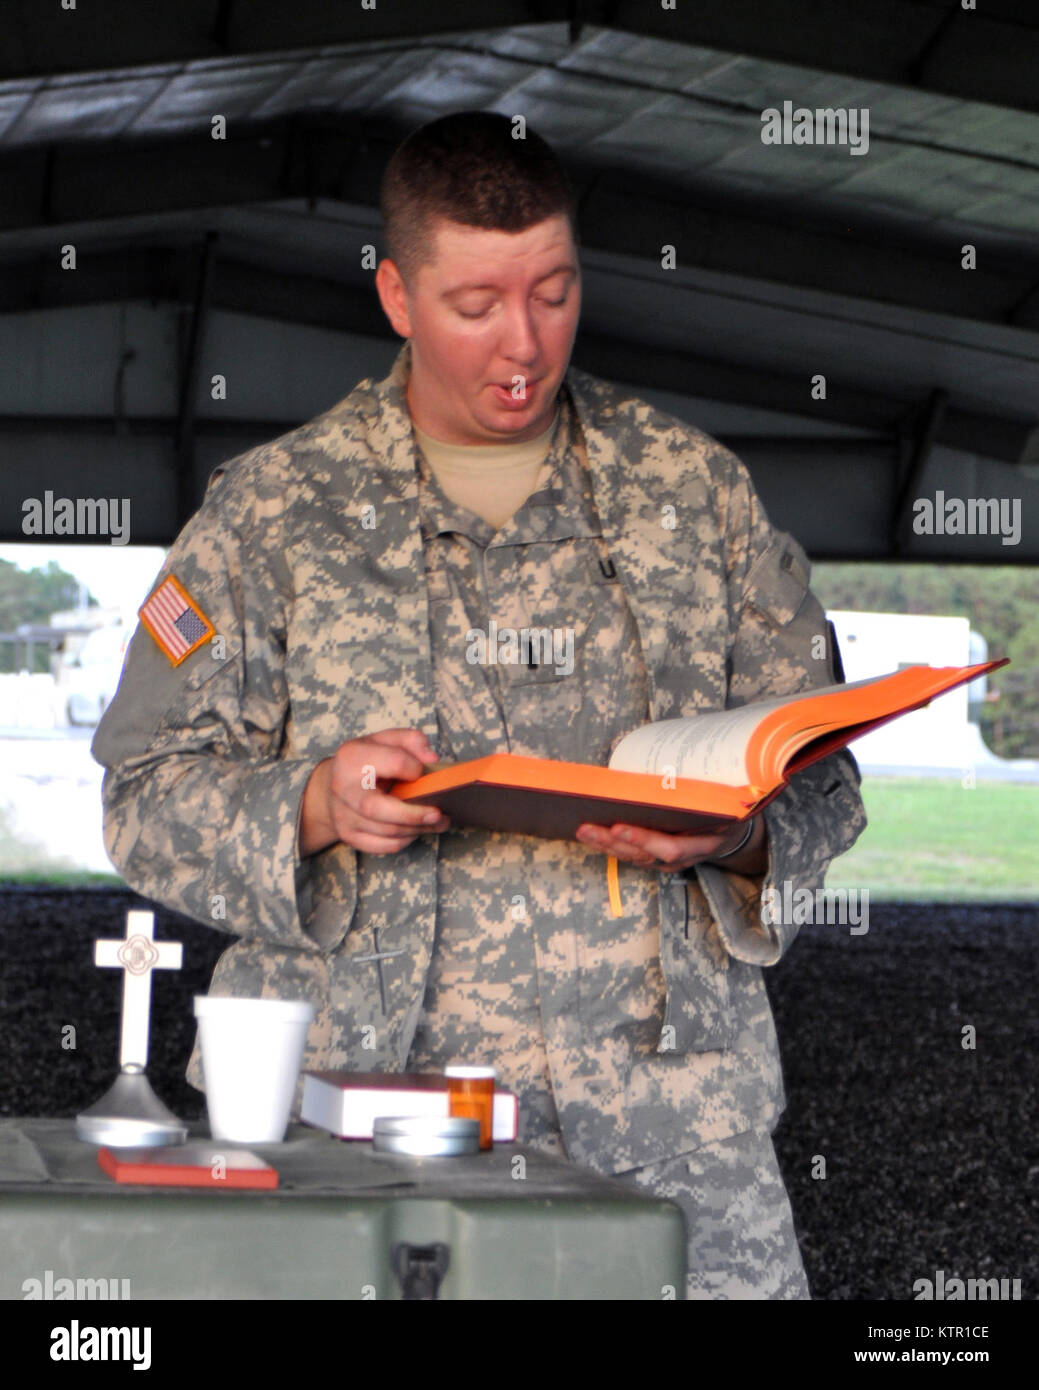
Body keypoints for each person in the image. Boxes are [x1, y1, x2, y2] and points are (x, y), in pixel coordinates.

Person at [92, 110, 867, 1299]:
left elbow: (825, 767)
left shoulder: (694, 493)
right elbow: (144, 794)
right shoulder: (268, 515)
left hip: (672, 1139)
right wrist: (310, 801)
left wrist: (745, 834)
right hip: (360, 1143)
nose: (524, 343)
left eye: (553, 293)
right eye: (476, 306)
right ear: (396, 295)